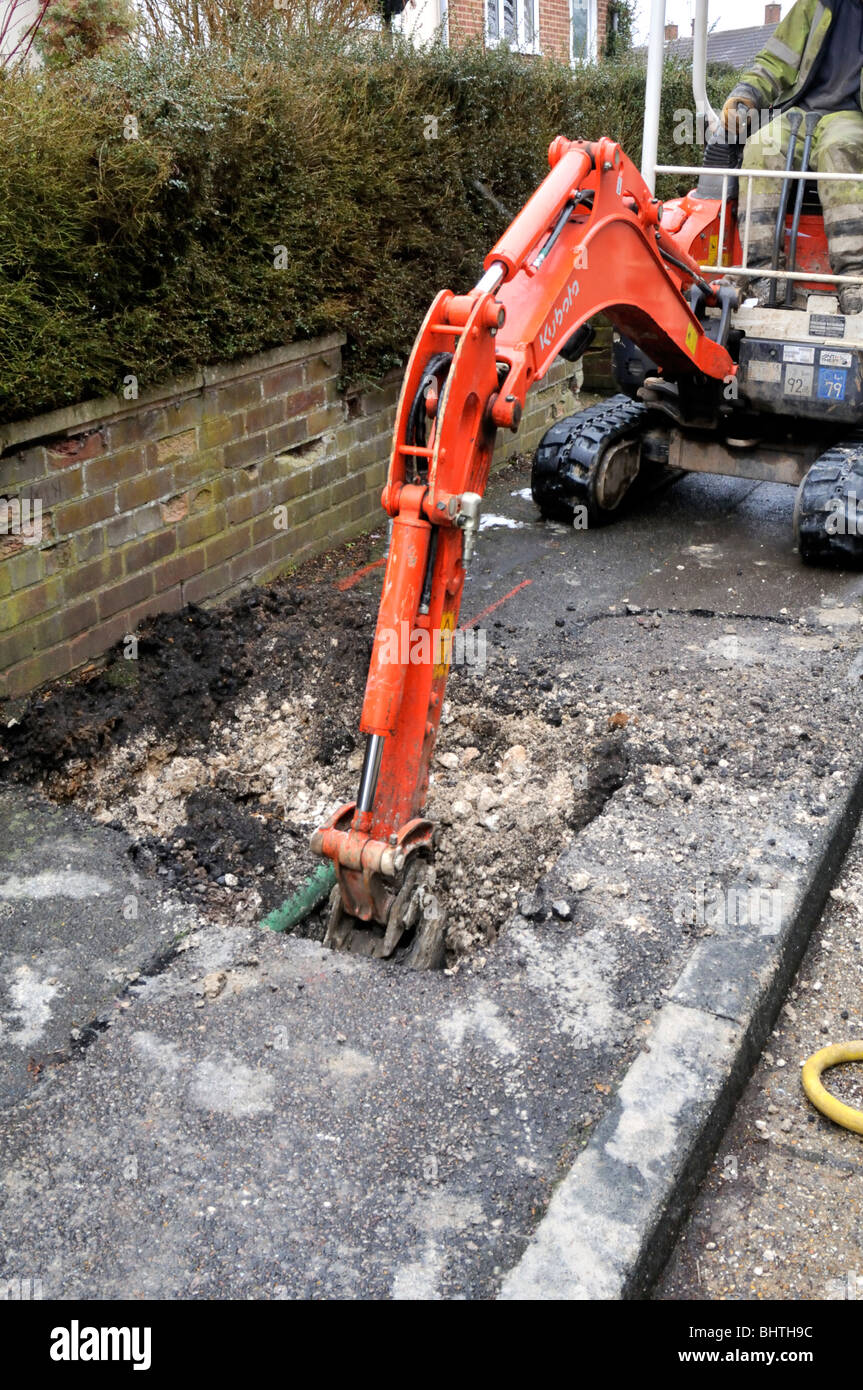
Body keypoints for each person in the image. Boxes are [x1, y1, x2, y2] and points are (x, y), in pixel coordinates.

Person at [720, 0, 863, 314]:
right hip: (801, 110)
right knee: (761, 147)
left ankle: (855, 279)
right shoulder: (816, 4)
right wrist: (747, 93)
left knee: (839, 149)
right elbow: (775, 59)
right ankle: (763, 274)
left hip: (852, 116)